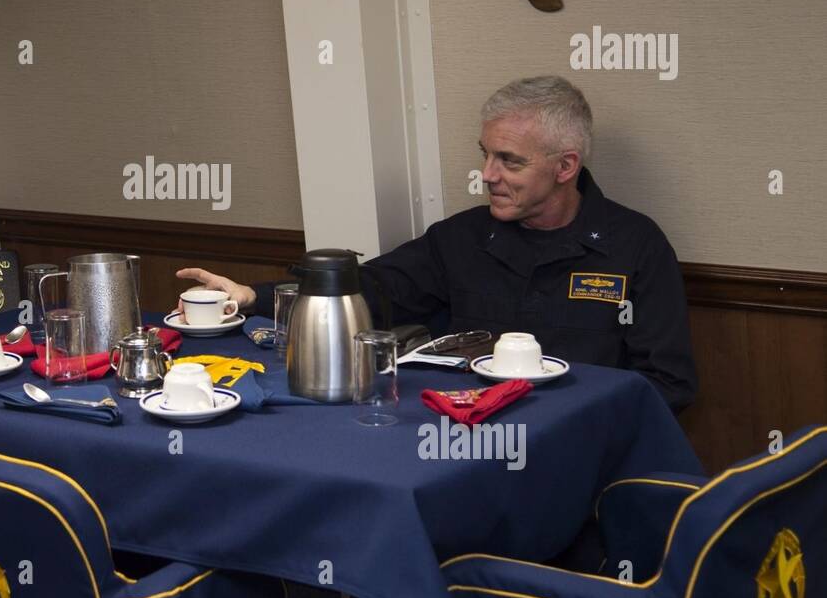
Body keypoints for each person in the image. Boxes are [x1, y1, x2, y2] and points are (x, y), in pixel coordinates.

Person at [177, 76, 698, 412]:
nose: (486, 175)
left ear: (565, 167)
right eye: (485, 155)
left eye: (509, 161)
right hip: (464, 440)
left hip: (581, 452)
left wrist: (576, 414)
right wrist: (254, 296)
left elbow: (668, 383)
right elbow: (372, 291)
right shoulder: (463, 237)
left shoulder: (635, 246)